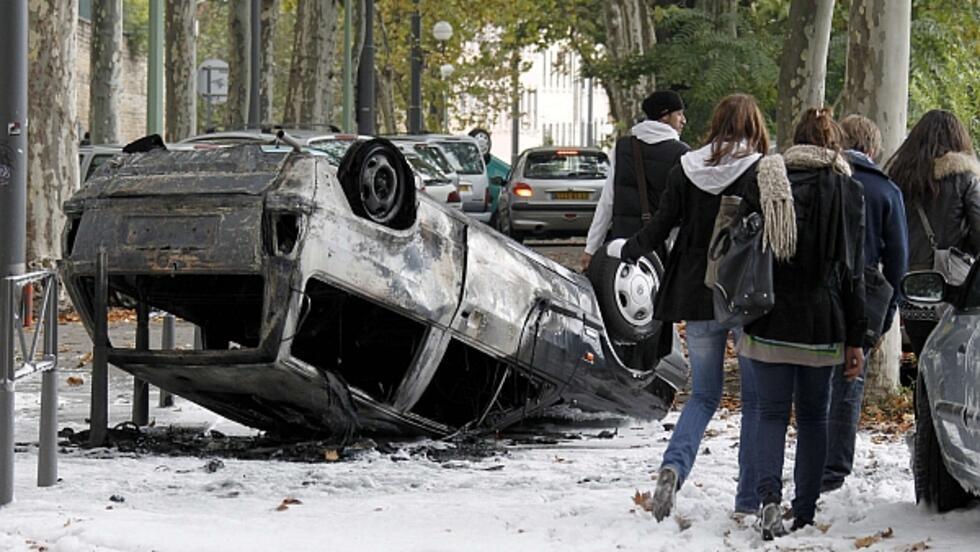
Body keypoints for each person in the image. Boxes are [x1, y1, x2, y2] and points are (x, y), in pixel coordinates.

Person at [620, 94, 776, 521]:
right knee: (755, 401)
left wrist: (630, 249)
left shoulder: (688, 166)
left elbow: (662, 223)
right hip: (745, 295)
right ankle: (747, 499)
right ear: (754, 124)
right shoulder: (761, 169)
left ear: (717, 122)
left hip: (696, 289)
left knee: (703, 394)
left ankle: (673, 467)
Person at [738, 108, 866, 540]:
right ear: (834, 145)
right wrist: (857, 338)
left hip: (768, 317)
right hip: (822, 324)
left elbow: (743, 244)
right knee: (814, 418)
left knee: (771, 414)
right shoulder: (848, 190)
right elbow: (854, 272)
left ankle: (769, 499)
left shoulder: (767, 180)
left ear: (795, 141)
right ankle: (805, 510)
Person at [821, 115, 909, 493]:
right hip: (865, 295)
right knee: (849, 383)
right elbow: (899, 262)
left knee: (813, 382)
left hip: (817, 293)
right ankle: (835, 469)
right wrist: (887, 315)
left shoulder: (823, 178)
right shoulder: (886, 191)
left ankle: (810, 461)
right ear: (873, 149)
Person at [885, 110, 980, 357]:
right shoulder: (965, 177)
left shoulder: (899, 178)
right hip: (954, 287)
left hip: (912, 285)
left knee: (924, 356)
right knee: (955, 358)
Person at [581, 91, 689, 271]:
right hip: (663, 246)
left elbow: (607, 200)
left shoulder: (624, 147)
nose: (683, 120)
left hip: (624, 246)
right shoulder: (682, 153)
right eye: (679, 114)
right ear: (664, 117)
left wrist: (591, 248)